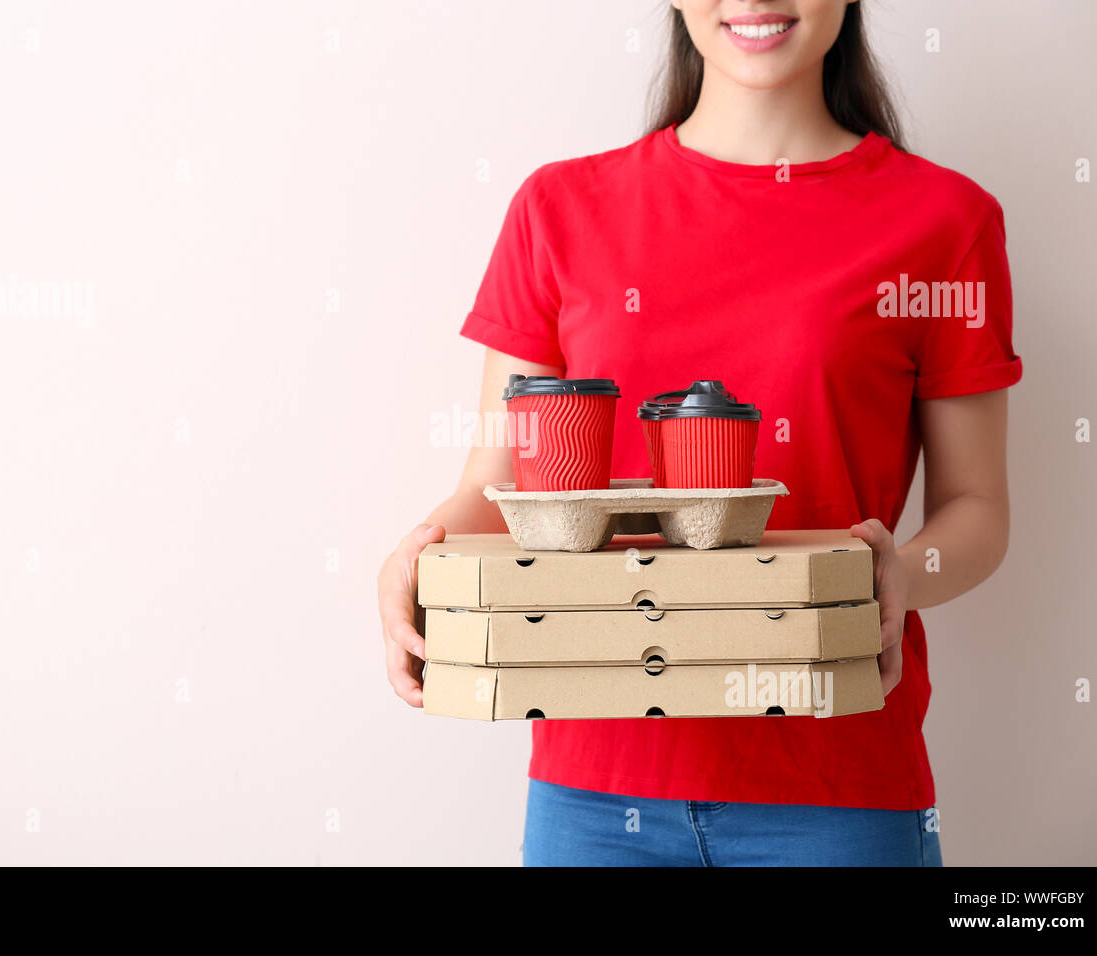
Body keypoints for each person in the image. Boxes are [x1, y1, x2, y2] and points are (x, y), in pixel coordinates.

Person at [378, 0, 1021, 866]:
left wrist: (900, 571)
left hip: (838, 792)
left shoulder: (946, 220)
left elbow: (977, 508)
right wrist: (418, 555)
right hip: (594, 795)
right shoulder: (560, 209)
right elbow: (500, 490)